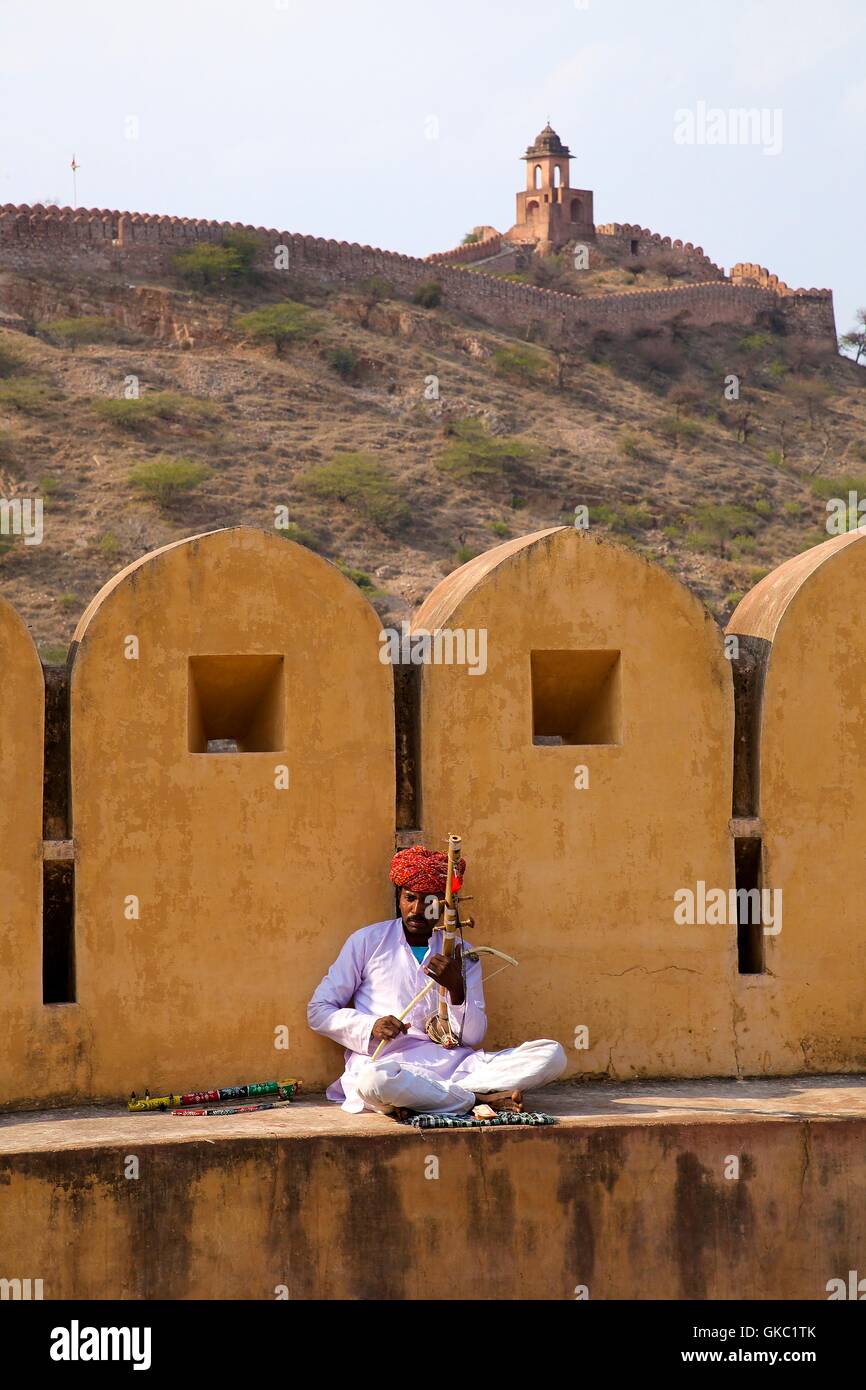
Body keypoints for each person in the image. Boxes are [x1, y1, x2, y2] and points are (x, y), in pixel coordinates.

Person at [307, 844, 566, 1118]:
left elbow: (473, 1037)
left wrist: (456, 989)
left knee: (552, 1054)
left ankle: (438, 1098)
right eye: (410, 898)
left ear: (444, 906)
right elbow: (319, 1010)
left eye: (429, 902)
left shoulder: (463, 954)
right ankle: (475, 1099)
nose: (417, 909)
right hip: (389, 1065)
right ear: (399, 898)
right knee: (374, 1082)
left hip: (453, 1065)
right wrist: (371, 1025)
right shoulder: (366, 942)